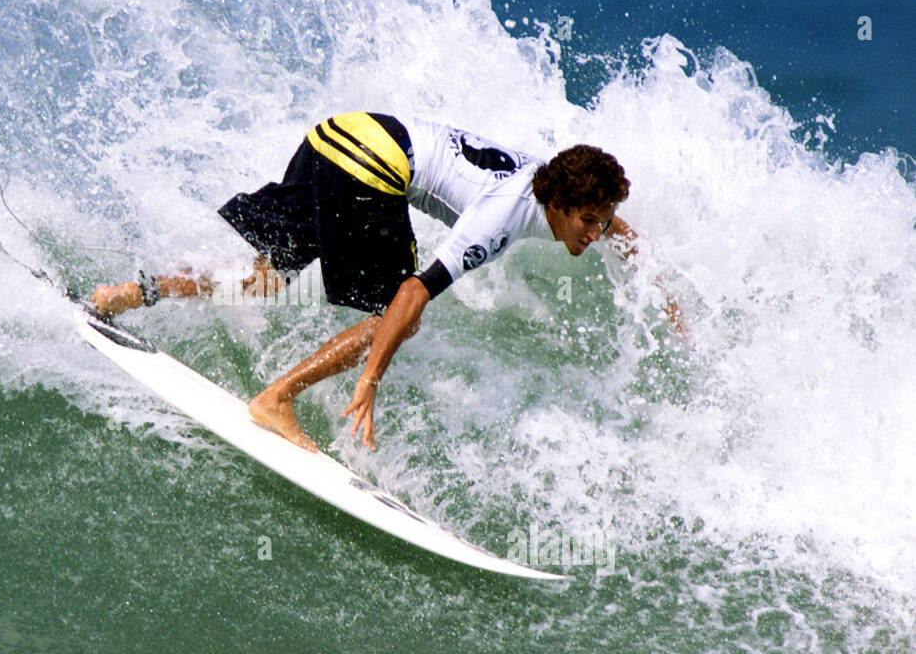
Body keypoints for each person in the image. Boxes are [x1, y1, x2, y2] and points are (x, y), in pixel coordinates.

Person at [93, 111, 683, 452]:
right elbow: (412, 293)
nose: (594, 232)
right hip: (371, 166)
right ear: (557, 204)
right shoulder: (502, 217)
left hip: (340, 132)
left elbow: (621, 228)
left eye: (600, 220)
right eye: (587, 222)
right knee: (398, 319)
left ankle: (129, 294)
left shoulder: (561, 182)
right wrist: (372, 377)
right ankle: (277, 398)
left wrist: (665, 297)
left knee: (268, 281)